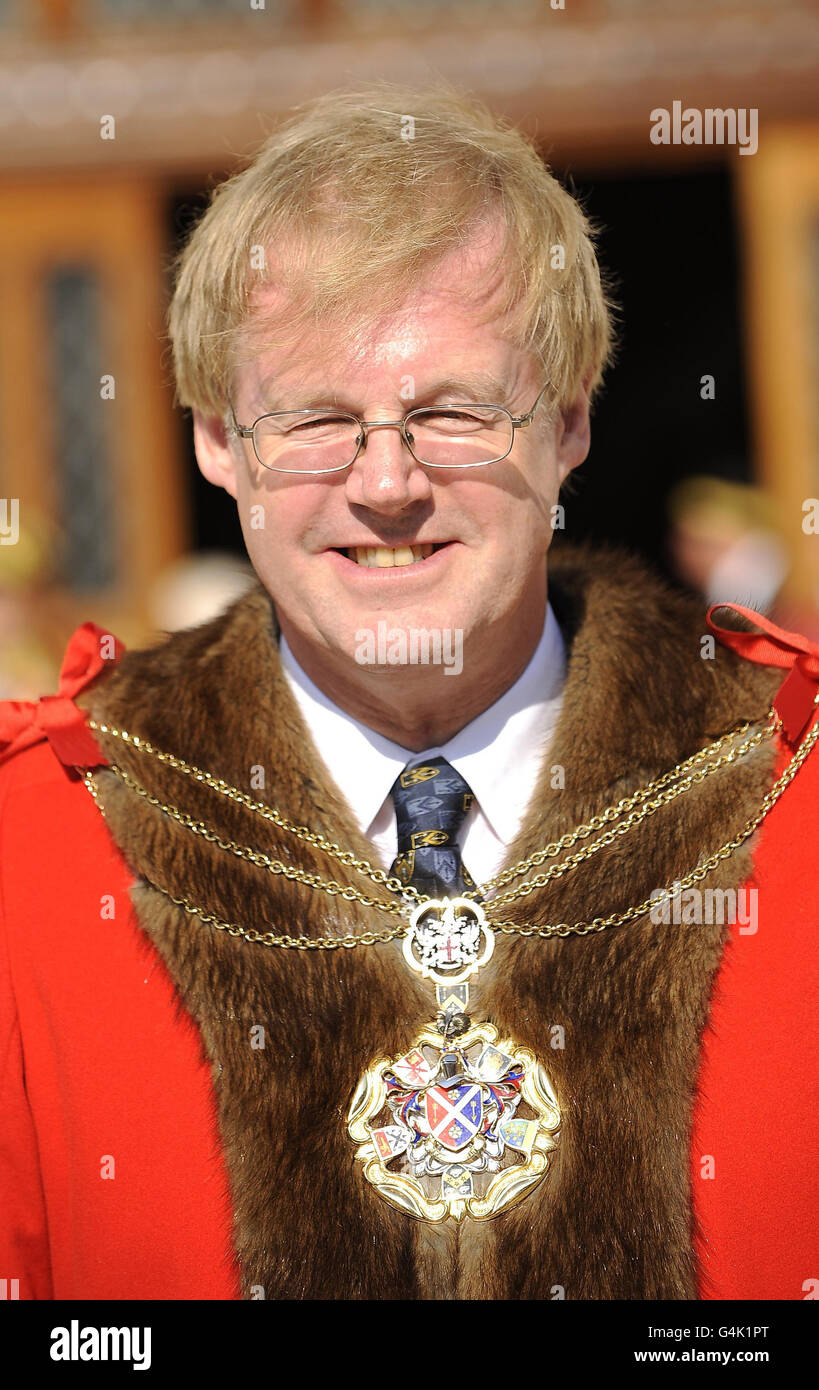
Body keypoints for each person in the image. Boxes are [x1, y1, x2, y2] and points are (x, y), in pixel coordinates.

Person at [1, 83, 817, 1303]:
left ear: (570, 420)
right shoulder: (36, 840)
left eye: (451, 411)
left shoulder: (787, 785)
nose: (386, 484)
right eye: (317, 418)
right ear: (220, 441)